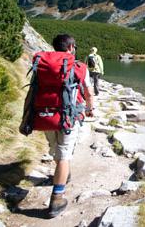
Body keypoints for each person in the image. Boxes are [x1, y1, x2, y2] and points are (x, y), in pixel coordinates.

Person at [44, 34, 94, 217]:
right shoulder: (79, 66)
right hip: (68, 117)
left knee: (56, 148)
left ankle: (64, 174)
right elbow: (88, 93)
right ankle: (57, 198)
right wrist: (90, 108)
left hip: (45, 115)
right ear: (71, 47)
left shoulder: (43, 64)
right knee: (64, 153)